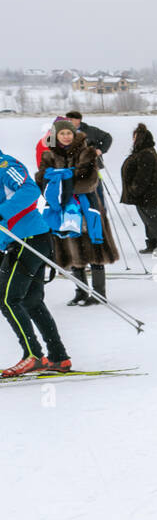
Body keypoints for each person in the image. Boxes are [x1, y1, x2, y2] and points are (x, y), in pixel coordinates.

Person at [0, 149, 72, 376]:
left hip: (29, 240)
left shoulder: (5, 165)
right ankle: (59, 357)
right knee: (31, 301)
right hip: (21, 240)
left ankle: (33, 355)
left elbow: (31, 190)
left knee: (8, 299)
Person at [36, 117, 119, 306]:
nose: (66, 137)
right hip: (61, 210)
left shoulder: (87, 153)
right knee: (72, 251)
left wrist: (62, 181)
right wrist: (56, 181)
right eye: (62, 133)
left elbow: (89, 181)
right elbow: (42, 180)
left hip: (87, 207)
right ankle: (80, 292)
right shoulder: (49, 156)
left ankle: (99, 294)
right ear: (56, 135)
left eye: (69, 133)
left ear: (74, 134)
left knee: (94, 250)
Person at [119, 123, 157, 254]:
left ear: (140, 138)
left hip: (147, 194)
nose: (133, 140)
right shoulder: (143, 152)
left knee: (154, 220)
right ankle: (153, 244)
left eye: (135, 137)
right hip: (144, 195)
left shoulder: (146, 154)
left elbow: (143, 177)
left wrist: (134, 189)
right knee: (148, 220)